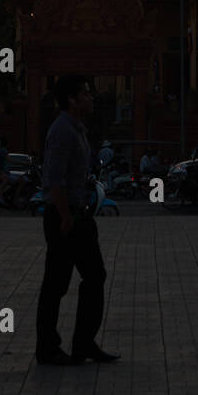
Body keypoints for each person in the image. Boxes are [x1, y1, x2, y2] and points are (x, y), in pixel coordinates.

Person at [35, 74, 118, 366]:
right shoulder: (62, 131)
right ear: (72, 99)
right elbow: (54, 179)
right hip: (64, 215)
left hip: (78, 214)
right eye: (86, 93)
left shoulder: (78, 129)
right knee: (56, 285)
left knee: (94, 275)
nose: (91, 98)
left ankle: (83, 343)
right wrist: (66, 217)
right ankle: (48, 348)